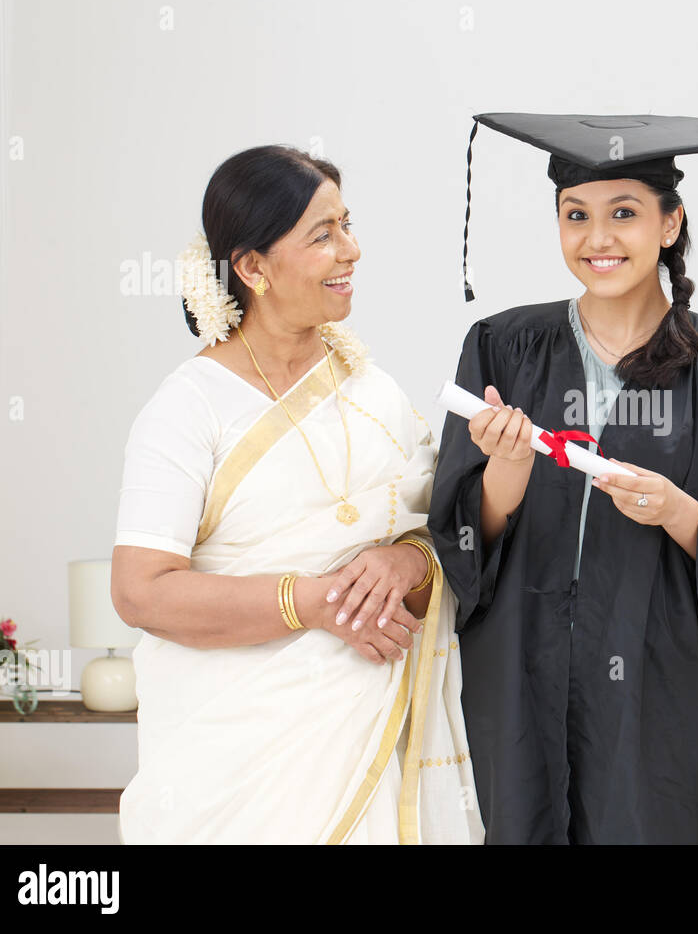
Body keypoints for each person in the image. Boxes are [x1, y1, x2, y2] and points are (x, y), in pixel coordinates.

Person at [429, 113, 698, 843]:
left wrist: (680, 511)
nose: (597, 239)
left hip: (664, 682)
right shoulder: (502, 346)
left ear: (670, 222)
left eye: (624, 213)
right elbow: (465, 542)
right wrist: (508, 468)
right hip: (524, 671)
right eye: (575, 216)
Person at [111, 145, 481, 844]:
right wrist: (314, 603)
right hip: (239, 764)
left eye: (347, 225)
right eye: (324, 235)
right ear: (252, 268)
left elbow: (444, 525)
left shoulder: (376, 393)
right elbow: (141, 592)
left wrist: (407, 563)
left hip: (372, 727)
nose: (353, 250)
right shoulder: (189, 407)